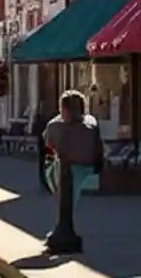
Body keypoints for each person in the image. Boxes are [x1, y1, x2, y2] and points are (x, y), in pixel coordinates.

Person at [41, 90, 104, 252]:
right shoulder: (91, 124)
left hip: (67, 171)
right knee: (66, 189)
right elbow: (98, 148)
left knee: (58, 182)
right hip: (88, 169)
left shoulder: (55, 127)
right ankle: (62, 228)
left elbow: (48, 147)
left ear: (64, 110)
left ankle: (63, 231)